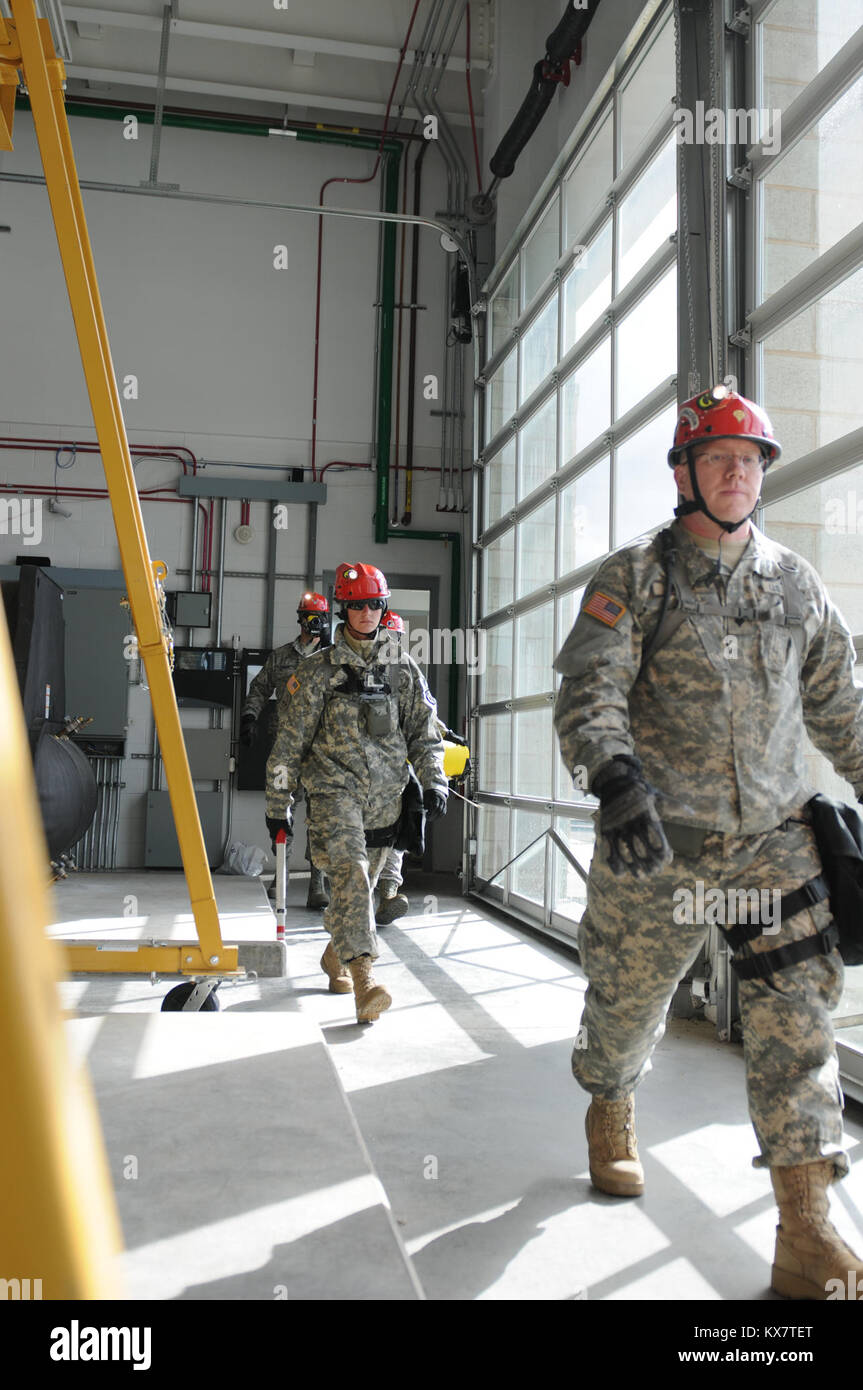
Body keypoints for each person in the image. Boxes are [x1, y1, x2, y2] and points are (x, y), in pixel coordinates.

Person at [553, 384, 863, 1300]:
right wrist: (615, 780)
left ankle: (805, 1229)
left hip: (770, 842)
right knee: (625, 1002)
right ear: (685, 472)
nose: (737, 473)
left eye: (751, 460)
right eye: (718, 457)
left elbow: (841, 707)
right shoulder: (634, 577)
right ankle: (610, 1098)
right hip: (658, 842)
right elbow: (589, 691)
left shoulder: (794, 582)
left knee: (797, 1023)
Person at [265, 563, 448, 1022]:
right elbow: (289, 743)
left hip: (386, 800)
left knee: (361, 889)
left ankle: (335, 957)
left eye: (373, 604)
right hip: (333, 792)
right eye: (356, 605)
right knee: (349, 871)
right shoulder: (316, 672)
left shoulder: (403, 669)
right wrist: (278, 803)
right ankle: (365, 980)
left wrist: (434, 781)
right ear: (343, 609)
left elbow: (424, 734)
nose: (366, 612)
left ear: (382, 607)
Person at [240, 592, 332, 908]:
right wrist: (250, 717)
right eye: (311, 616)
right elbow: (260, 688)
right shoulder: (281, 658)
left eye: (321, 616)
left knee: (320, 819)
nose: (316, 622)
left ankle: (317, 885)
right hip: (286, 749)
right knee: (282, 815)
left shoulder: (333, 658)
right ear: (301, 618)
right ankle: (280, 881)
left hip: (322, 752)